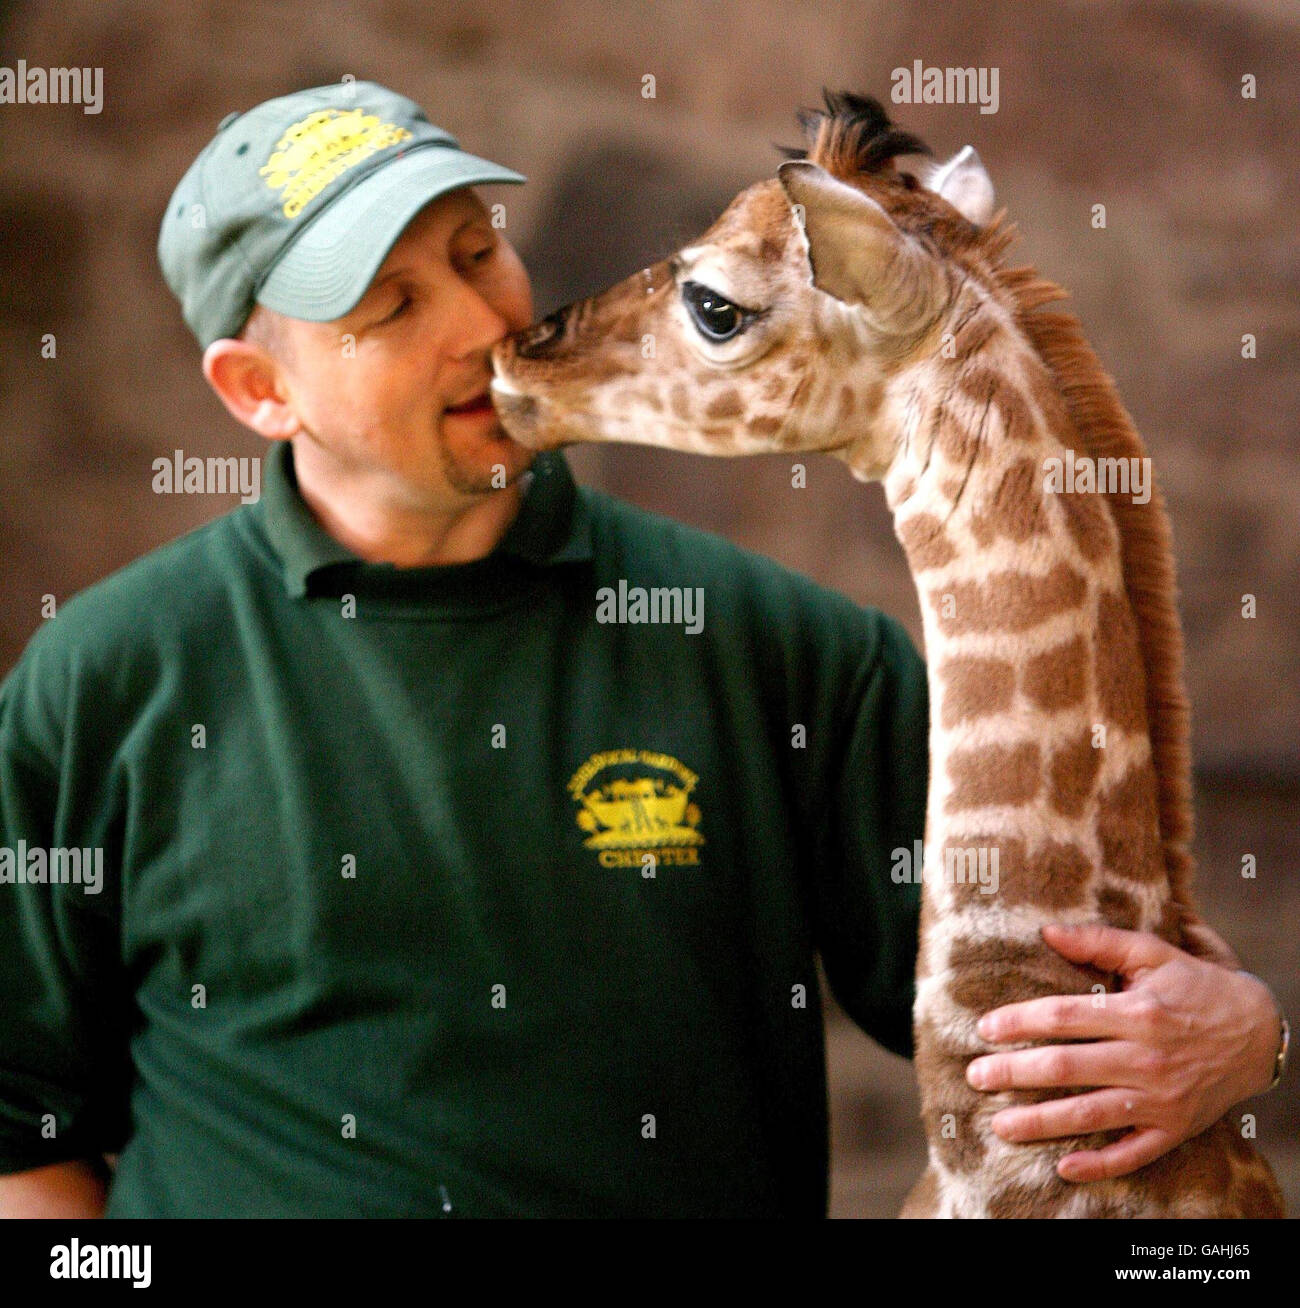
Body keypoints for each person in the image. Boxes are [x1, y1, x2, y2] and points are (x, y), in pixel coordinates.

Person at [0, 82, 1286, 1218]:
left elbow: (1068, 1014)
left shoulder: (788, 653)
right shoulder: (108, 679)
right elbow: (15, 1134)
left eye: (474, 250)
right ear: (257, 392)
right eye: (390, 305)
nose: (479, 321)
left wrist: (1253, 1035)